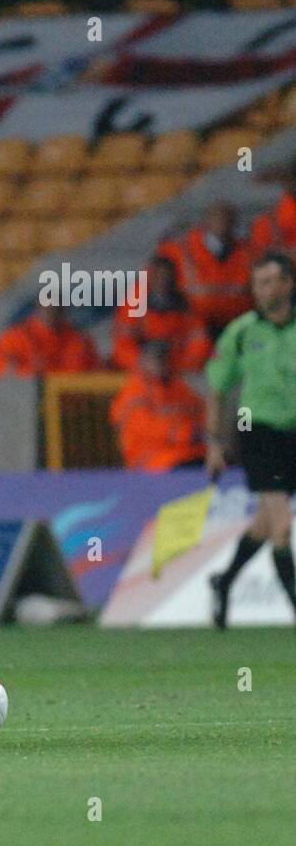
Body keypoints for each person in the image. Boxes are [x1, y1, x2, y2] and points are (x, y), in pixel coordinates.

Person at [204, 250, 296, 629]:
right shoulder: (242, 331)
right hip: (256, 432)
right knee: (283, 526)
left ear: (289, 283)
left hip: (292, 433)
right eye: (257, 283)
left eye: (270, 281)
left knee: (264, 524)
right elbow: (217, 387)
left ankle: (222, 582)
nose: (262, 290)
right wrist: (214, 443)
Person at [157, 201, 252, 340]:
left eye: (227, 219)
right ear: (205, 221)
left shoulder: (249, 252)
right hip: (191, 328)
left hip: (238, 326)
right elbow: (152, 284)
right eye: (217, 218)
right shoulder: (178, 250)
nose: (223, 224)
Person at [109, 339, 206, 472]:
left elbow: (201, 412)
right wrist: (189, 433)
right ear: (143, 360)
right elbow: (148, 429)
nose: (161, 362)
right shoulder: (134, 392)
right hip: (151, 459)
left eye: (164, 357)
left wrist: (209, 430)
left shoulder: (179, 387)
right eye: (155, 358)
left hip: (187, 454)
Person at [111, 256, 212, 373]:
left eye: (166, 277)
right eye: (158, 276)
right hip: (139, 371)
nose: (163, 281)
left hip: (178, 369)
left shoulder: (186, 307)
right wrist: (145, 364)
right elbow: (123, 345)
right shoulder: (132, 306)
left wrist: (180, 365)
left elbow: (200, 344)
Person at [0, 295, 102, 378]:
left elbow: (97, 374)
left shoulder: (80, 342)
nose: (52, 310)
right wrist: (23, 372)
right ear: (38, 308)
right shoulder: (15, 338)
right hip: (28, 405)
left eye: (57, 306)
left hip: (73, 407)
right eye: (47, 306)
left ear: (64, 309)